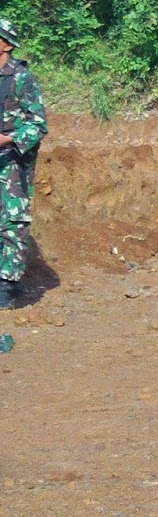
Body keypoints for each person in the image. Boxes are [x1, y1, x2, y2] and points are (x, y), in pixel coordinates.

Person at [0, 18, 47, 310]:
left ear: (5, 44)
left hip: (11, 162)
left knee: (11, 222)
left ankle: (7, 284)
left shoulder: (22, 78)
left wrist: (6, 140)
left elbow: (38, 124)